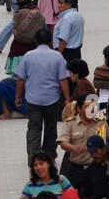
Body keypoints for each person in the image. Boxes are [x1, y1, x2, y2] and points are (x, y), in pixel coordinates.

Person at [14, 29, 70, 159]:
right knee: (51, 128)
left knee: (34, 128)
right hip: (53, 99)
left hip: (33, 99)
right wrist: (67, 98)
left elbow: (21, 78)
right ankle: (49, 155)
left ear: (36, 41)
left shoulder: (28, 56)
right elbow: (63, 79)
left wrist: (17, 97)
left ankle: (33, 156)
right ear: (50, 41)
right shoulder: (57, 56)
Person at [52, 0, 84, 64]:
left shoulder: (67, 18)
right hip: (76, 51)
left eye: (61, 3)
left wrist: (58, 55)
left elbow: (63, 39)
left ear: (69, 4)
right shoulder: (78, 15)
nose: (59, 5)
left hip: (66, 53)